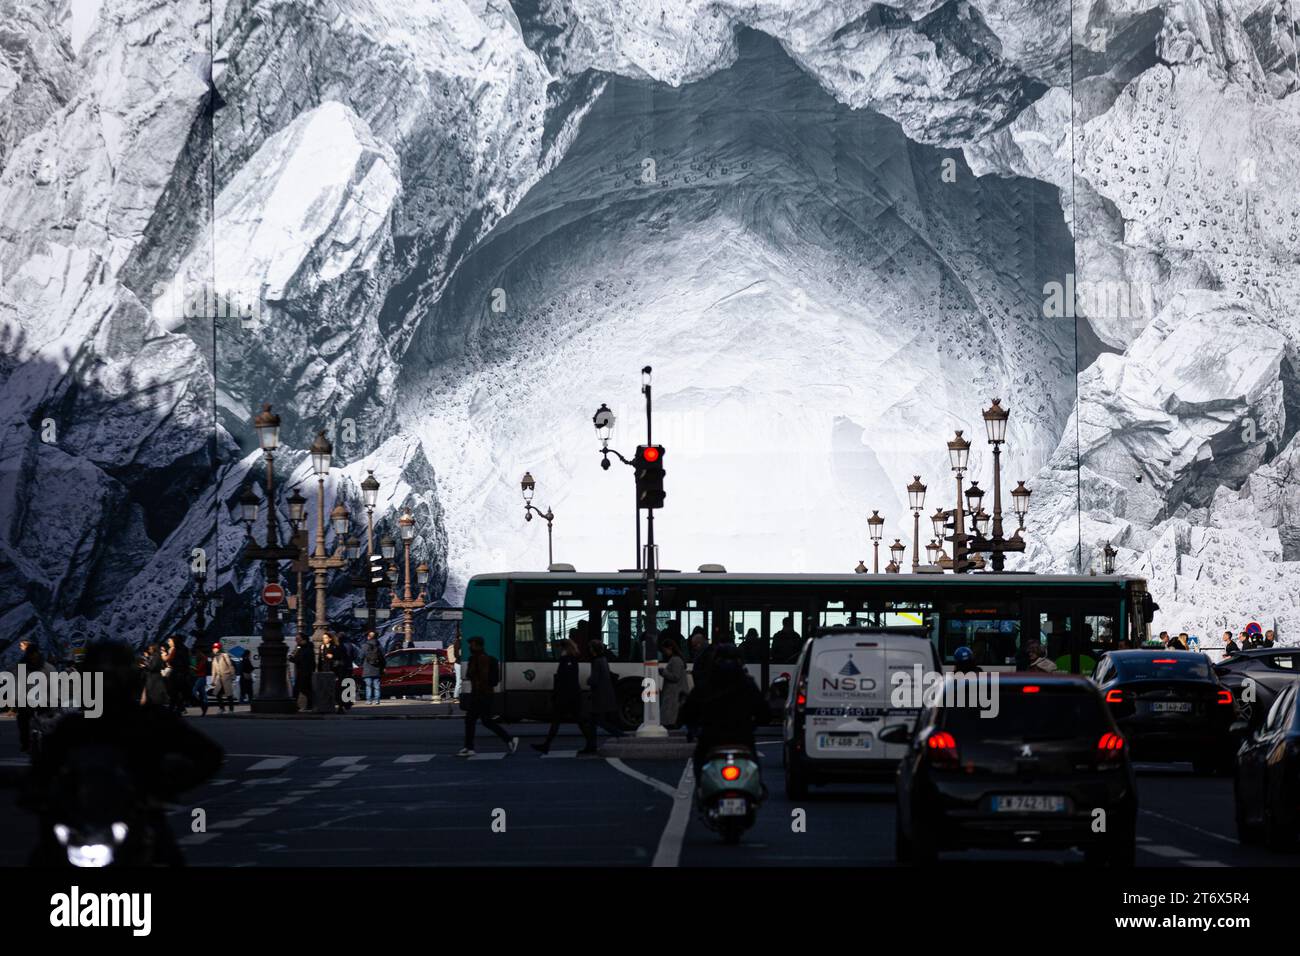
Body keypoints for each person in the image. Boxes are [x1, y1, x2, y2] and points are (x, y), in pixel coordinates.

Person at [21, 642, 224, 867]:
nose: (108, 685)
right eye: (102, 677)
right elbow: (42, 769)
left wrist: (163, 786)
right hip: (84, 818)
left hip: (134, 817)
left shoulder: (78, 727)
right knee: (47, 854)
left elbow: (209, 755)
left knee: (162, 853)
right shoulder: (78, 728)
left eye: (112, 677)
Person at [678, 645, 769, 779]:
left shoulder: (706, 684)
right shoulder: (747, 683)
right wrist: (753, 723)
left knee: (700, 764)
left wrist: (692, 727)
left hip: (711, 738)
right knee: (755, 769)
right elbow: (764, 713)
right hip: (742, 738)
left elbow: (689, 711)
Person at [532, 640, 596, 755]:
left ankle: (547, 745)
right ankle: (590, 744)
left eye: (559, 648)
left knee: (561, 721)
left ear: (564, 648)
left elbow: (564, 679)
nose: (557, 651)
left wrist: (556, 694)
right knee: (576, 721)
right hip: (572, 695)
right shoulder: (573, 659)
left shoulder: (567, 660)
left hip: (566, 696)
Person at [458, 637, 517, 757]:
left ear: (479, 646)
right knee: (484, 721)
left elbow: (482, 678)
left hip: (482, 694)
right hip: (481, 694)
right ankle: (509, 740)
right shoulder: (475, 659)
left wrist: (479, 692)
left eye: (472, 645)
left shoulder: (482, 659)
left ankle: (469, 747)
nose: (470, 647)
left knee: (473, 720)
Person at [587, 641, 624, 738]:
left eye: (590, 648)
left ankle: (619, 734)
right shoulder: (603, 659)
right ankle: (591, 745)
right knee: (595, 721)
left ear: (594, 649)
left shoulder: (596, 661)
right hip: (604, 694)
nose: (589, 650)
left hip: (599, 695)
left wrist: (588, 681)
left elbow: (594, 679)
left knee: (598, 721)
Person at [658, 638, 688, 729]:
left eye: (665, 650)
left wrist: (663, 672)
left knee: (670, 718)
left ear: (670, 648)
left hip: (674, 693)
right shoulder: (677, 659)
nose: (664, 652)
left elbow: (675, 676)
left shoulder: (675, 660)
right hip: (675, 692)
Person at [209, 642, 237, 713]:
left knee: (229, 694)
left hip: (226, 676)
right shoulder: (214, 659)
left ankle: (231, 709)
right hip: (219, 678)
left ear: (220, 649)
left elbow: (230, 665)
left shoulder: (225, 655)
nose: (215, 650)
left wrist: (233, 675)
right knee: (217, 693)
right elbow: (213, 671)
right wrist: (213, 680)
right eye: (214, 648)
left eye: (216, 648)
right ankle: (222, 708)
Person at [290, 634, 315, 711]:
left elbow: (299, 660)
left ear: (304, 640)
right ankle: (309, 704)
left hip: (304, 672)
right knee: (301, 689)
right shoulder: (303, 648)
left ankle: (312, 703)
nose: (296, 640)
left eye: (298, 639)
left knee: (302, 689)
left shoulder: (306, 649)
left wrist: (291, 658)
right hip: (303, 672)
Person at [361, 631, 385, 705]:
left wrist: (361, 663)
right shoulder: (379, 645)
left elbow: (361, 656)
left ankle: (369, 700)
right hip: (377, 668)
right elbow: (382, 657)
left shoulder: (365, 645)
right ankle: (377, 700)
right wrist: (383, 667)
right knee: (376, 685)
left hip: (367, 668)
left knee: (368, 686)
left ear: (368, 637)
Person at [191, 641, 210, 715]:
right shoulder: (201, 658)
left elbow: (199, 669)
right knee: (203, 692)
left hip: (201, 676)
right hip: (201, 676)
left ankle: (202, 703)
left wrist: (192, 667)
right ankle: (205, 704)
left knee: (194, 691)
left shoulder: (202, 659)